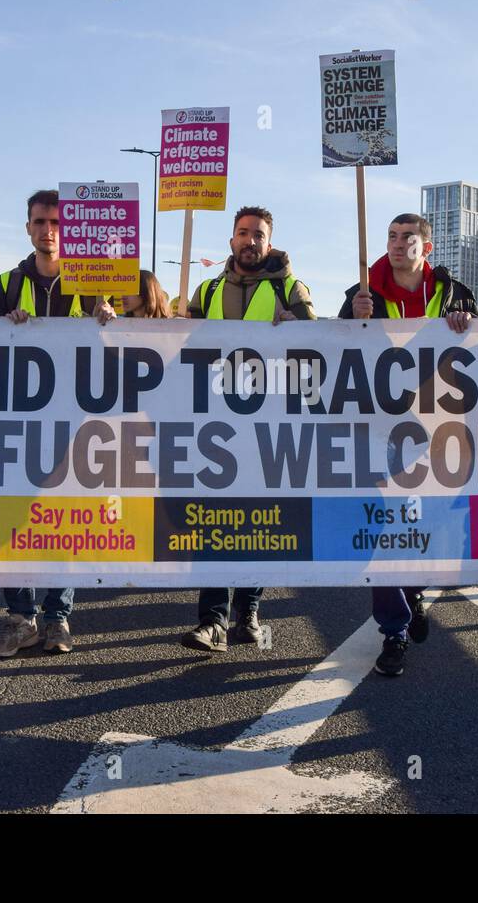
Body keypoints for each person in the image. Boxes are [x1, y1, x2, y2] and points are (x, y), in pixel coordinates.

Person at [337, 212, 478, 677]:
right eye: (392, 237)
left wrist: (467, 321)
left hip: (438, 433)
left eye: (408, 238)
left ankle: (414, 591)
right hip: (380, 432)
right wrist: (351, 323)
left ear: (427, 247)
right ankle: (394, 629)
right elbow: (332, 351)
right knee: (382, 531)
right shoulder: (360, 295)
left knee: (423, 526)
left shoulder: (454, 294)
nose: (398, 245)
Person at [178, 205, 316, 653]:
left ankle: (248, 613)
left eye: (258, 235)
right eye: (243, 233)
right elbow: (177, 348)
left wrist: (299, 328)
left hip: (267, 425)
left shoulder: (292, 288)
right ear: (231, 240)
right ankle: (213, 622)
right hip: (213, 425)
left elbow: (322, 349)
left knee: (258, 521)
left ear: (269, 243)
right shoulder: (207, 289)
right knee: (215, 523)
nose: (250, 241)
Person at [0, 189, 110, 659]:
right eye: (39, 222)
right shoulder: (7, 283)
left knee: (65, 521)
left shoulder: (93, 283)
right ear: (28, 227)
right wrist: (5, 327)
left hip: (75, 424)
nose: (48, 230)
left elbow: (108, 350)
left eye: (56, 222)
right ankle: (21, 619)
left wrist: (108, 323)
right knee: (12, 519)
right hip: (19, 423)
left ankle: (57, 618)